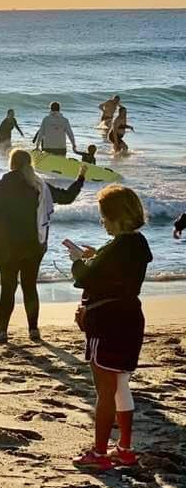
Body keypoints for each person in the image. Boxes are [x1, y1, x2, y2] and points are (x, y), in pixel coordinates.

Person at [70, 186, 151, 470]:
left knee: (104, 390)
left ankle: (100, 453)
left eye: (103, 216)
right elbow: (115, 272)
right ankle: (125, 449)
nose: (101, 221)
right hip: (131, 319)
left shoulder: (115, 248)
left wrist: (78, 262)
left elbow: (87, 280)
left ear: (115, 216)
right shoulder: (138, 244)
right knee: (121, 385)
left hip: (107, 323)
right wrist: (95, 256)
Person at [0, 149, 86, 343]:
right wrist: (80, 178)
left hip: (7, 247)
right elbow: (67, 197)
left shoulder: (3, 186)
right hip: (34, 246)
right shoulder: (39, 186)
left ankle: (1, 332)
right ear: (29, 164)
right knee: (30, 287)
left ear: (11, 164)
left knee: (8, 288)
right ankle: (33, 330)